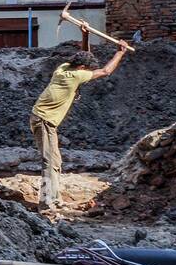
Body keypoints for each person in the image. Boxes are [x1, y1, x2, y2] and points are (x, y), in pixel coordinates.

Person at [30, 31, 127, 213]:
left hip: (42, 118)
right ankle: (46, 203)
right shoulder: (75, 77)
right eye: (87, 69)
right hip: (44, 121)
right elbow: (106, 71)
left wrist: (85, 36)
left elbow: (84, 58)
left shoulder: (64, 68)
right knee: (50, 162)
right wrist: (120, 52)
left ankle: (55, 198)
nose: (88, 72)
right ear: (81, 68)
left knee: (55, 161)